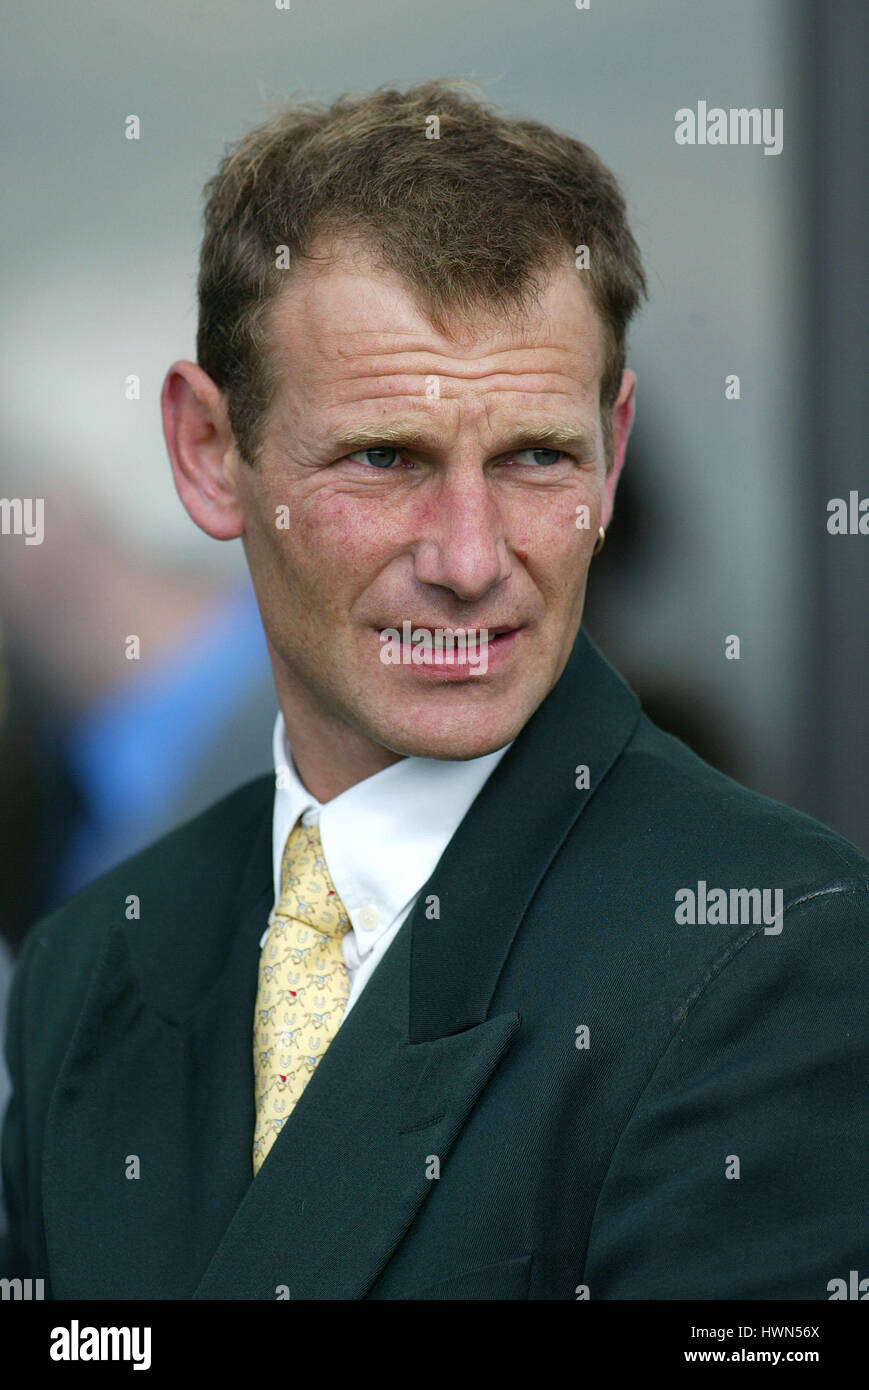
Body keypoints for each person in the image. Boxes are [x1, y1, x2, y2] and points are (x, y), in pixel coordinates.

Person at [1, 80, 866, 1301]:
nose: (468, 560)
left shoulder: (780, 953)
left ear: (611, 455)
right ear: (208, 455)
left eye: (534, 456)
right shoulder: (91, 960)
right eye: (383, 457)